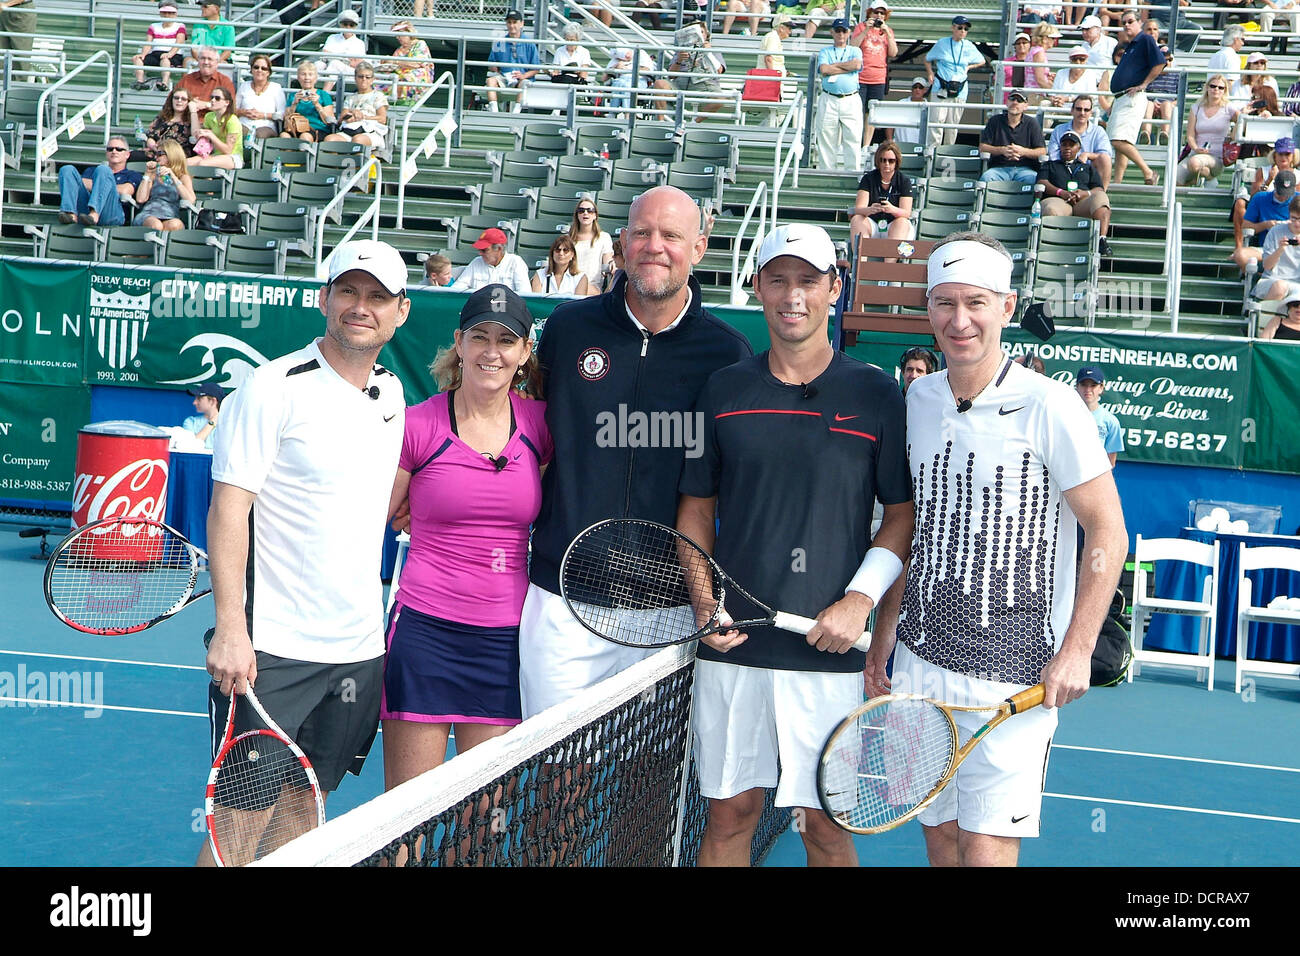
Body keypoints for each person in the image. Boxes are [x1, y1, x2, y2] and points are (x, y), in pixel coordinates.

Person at [866, 231, 1126, 867]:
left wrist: (1078, 651)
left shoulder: (1054, 406)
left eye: (976, 303)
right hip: (921, 665)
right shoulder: (917, 401)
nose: (960, 321)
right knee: (941, 846)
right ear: (927, 310)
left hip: (1019, 678)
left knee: (984, 852)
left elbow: (1109, 533)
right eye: (945, 303)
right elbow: (912, 527)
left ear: (1007, 308)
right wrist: (883, 641)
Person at [678, 222, 914, 868]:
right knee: (730, 817)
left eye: (808, 280)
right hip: (735, 647)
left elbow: (900, 516)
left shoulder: (876, 394)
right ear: (757, 288)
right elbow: (695, 511)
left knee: (825, 828)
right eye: (777, 279)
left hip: (830, 652)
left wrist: (858, 602)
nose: (793, 295)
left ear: (834, 289)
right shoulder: (723, 391)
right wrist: (705, 603)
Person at [199, 239, 410, 866]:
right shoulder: (271, 388)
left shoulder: (391, 396)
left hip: (357, 651)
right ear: (325, 299)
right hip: (273, 655)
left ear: (401, 311)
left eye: (377, 297)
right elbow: (229, 507)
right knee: (235, 835)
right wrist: (232, 630)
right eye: (348, 292)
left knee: (304, 815)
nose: (360, 307)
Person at [518, 185, 753, 721]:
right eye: (642, 233)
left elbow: (728, 488)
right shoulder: (569, 328)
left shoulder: (727, 352)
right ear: (620, 245)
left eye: (672, 235)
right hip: (562, 598)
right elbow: (523, 433)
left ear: (698, 248)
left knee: (648, 793)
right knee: (553, 788)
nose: (655, 246)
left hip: (670, 610)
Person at [382, 285, 550, 789]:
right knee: (405, 818)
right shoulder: (417, 425)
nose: (491, 352)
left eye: (506, 340)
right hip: (424, 634)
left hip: (505, 641)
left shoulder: (542, 425)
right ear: (459, 343)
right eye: (479, 337)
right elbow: (384, 513)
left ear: (524, 353)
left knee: (476, 823)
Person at [1108, 10, 1164, 186]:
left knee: (1117, 139)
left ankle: (1148, 172)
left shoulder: (1145, 39)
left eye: (1130, 21)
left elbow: (1160, 62)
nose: (1126, 25)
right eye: (1124, 22)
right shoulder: (1130, 44)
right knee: (1121, 142)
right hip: (1121, 98)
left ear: (1140, 22)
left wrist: (1144, 84)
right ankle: (1117, 182)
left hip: (1132, 97)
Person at [1039, 131, 1113, 256]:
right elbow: (1042, 182)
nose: (1067, 147)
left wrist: (1085, 193)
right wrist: (1061, 192)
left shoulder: (1087, 167)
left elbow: (1098, 188)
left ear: (1078, 148)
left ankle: (1102, 240)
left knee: (1101, 198)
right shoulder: (1050, 165)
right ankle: (1053, 245)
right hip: (1059, 199)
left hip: (1081, 202)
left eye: (1071, 145)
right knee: (1050, 208)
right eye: (1064, 144)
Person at [925, 15, 986, 147]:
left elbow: (982, 61)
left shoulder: (969, 45)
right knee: (936, 123)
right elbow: (928, 58)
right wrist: (930, 73)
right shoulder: (942, 43)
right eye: (960, 28)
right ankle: (932, 155)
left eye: (965, 29)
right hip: (941, 88)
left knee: (952, 126)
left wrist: (969, 67)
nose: (963, 31)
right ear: (953, 28)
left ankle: (947, 154)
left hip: (960, 90)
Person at [56, 137, 142, 227]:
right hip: (85, 214)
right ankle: (70, 213)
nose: (114, 151)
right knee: (67, 169)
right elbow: (77, 185)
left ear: (127, 154)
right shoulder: (92, 170)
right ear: (106, 153)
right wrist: (102, 185)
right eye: (110, 149)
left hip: (112, 213)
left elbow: (126, 191)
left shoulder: (133, 175)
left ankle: (95, 214)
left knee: (103, 170)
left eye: (119, 149)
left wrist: (104, 184)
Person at [815, 19, 863, 171]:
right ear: (832, 32)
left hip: (851, 98)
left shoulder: (855, 50)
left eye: (844, 31)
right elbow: (824, 70)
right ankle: (827, 173)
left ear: (849, 32)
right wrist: (846, 68)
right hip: (829, 97)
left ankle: (852, 172)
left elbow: (856, 65)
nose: (841, 34)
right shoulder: (825, 51)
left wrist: (833, 67)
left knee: (853, 137)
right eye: (838, 31)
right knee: (826, 137)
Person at [849, 140, 914, 251]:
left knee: (902, 222)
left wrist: (892, 209)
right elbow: (859, 209)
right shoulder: (868, 178)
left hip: (893, 225)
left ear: (896, 162)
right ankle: (861, 265)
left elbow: (906, 213)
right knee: (857, 220)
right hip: (873, 224)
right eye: (883, 160)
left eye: (891, 161)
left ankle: (889, 266)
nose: (886, 164)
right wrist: (869, 209)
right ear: (878, 161)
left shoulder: (904, 181)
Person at [1176, 75, 1238, 187]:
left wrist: (1233, 134)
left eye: (1221, 88)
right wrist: (1196, 148)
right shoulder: (1196, 107)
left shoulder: (1228, 107)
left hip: (1216, 157)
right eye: (1213, 86)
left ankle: (1208, 178)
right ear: (1207, 87)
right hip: (1196, 153)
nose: (1216, 89)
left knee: (1194, 163)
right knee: (1175, 178)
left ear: (1225, 91)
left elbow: (1242, 120)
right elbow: (1190, 135)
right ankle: (1203, 178)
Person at [1234, 170, 1296, 274]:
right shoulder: (1260, 198)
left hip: (1294, 248)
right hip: (1266, 249)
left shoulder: (1297, 200)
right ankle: (1261, 277)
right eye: (1281, 193)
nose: (1284, 197)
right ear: (1275, 186)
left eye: (1287, 194)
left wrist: (1292, 224)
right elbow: (1245, 226)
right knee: (1240, 255)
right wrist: (1266, 225)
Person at [852, 3, 896, 150]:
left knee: (871, 113)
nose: (879, 16)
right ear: (870, 13)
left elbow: (893, 53)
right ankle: (855, 143)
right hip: (860, 77)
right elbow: (853, 45)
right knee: (857, 112)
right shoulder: (861, 27)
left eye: (882, 13)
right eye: (876, 12)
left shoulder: (888, 30)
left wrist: (887, 34)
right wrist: (866, 30)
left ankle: (865, 145)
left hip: (878, 78)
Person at [978, 90, 1046, 185]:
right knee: (986, 178)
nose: (1014, 102)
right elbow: (983, 147)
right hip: (998, 169)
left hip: (1025, 170)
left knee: (1034, 179)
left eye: (1019, 100)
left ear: (1025, 106)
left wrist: (1023, 151)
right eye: (1012, 99)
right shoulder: (995, 121)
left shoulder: (1032, 123)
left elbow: (1042, 151)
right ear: (1007, 102)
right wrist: (1002, 150)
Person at [1047, 94, 1113, 188]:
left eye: (1086, 110)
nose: (1082, 113)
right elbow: (1053, 155)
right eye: (1078, 109)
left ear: (1091, 113)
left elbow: (1106, 155)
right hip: (1063, 170)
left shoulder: (1098, 131)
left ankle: (1101, 194)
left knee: (1105, 159)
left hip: (1088, 172)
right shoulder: (1059, 130)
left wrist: (1088, 155)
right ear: (1072, 110)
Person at [667, 21, 727, 118]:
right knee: (660, 84)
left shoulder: (714, 51)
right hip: (680, 83)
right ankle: (661, 121)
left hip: (705, 84)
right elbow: (671, 75)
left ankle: (695, 122)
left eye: (702, 32)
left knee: (719, 99)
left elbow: (719, 71)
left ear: (706, 34)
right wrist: (679, 60)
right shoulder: (680, 52)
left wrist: (708, 53)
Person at [485, 9, 541, 113]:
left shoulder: (529, 43)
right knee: (490, 81)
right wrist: (494, 67)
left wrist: (523, 76)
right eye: (509, 22)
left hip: (521, 79)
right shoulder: (499, 42)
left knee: (525, 84)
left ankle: (516, 112)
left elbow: (536, 68)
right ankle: (494, 112)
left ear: (521, 24)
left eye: (515, 22)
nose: (512, 25)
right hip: (504, 77)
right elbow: (491, 63)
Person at [325, 61, 388, 152]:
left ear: (372, 79)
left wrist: (363, 117)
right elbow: (342, 117)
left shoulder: (378, 96)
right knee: (330, 140)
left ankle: (355, 166)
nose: (364, 79)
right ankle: (334, 165)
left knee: (358, 140)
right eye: (360, 76)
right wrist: (352, 114)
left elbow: (382, 119)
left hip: (370, 133)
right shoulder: (350, 98)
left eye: (367, 77)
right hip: (350, 131)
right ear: (355, 78)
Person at [448, 227, 531, 294]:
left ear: (499, 249)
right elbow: (457, 289)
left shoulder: (516, 262)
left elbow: (524, 294)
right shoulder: (476, 262)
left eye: (484, 250)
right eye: (479, 250)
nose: (480, 253)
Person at [136, 138, 195, 231]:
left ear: (171, 155)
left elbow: (191, 200)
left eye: (160, 154)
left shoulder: (183, 177)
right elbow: (140, 199)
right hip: (149, 214)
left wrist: (173, 177)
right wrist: (147, 174)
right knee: (156, 225)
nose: (156, 157)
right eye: (156, 154)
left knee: (175, 225)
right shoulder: (153, 174)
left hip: (170, 215)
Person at [1251, 195, 1300, 303]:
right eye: (1293, 218)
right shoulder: (1275, 231)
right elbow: (1267, 266)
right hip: (1272, 280)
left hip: (1297, 283)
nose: (1296, 223)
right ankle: (1265, 319)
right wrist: (1280, 249)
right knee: (1280, 287)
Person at [131, 2, 186, 91]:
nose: (167, 15)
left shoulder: (180, 26)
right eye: (164, 12)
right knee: (138, 59)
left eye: (170, 13)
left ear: (175, 14)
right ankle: (140, 82)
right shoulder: (153, 26)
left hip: (173, 55)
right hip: (155, 54)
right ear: (160, 13)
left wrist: (170, 54)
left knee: (165, 60)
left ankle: (164, 83)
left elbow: (179, 41)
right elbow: (148, 43)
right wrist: (143, 54)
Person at [1076, 365, 1123, 467]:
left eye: (1093, 385)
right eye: (1084, 384)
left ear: (1101, 388)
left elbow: (1111, 462)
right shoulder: (1065, 416)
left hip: (1094, 477)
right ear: (1077, 387)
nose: (1088, 389)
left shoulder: (1110, 421)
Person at [280, 59, 335, 142]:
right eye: (303, 74)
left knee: (305, 136)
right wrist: (294, 104)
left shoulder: (323, 95)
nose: (307, 78)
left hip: (316, 129)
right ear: (298, 78)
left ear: (316, 78)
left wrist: (317, 105)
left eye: (310, 74)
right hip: (295, 128)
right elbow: (286, 120)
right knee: (284, 136)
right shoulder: (293, 96)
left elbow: (329, 121)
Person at [189, 87, 244, 169]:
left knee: (203, 164)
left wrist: (211, 136)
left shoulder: (232, 121)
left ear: (226, 102)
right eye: (211, 97)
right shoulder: (209, 116)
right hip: (215, 155)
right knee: (186, 163)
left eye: (217, 98)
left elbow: (228, 150)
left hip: (233, 157)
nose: (212, 100)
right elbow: (197, 135)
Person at [236, 52, 285, 141]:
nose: (259, 70)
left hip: (266, 126)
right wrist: (244, 112)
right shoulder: (244, 86)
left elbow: (282, 114)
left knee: (260, 135)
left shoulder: (276, 88)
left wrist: (262, 115)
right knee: (236, 131)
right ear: (251, 70)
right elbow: (234, 109)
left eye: (264, 68)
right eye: (256, 67)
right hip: (244, 123)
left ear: (268, 72)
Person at [179, 46, 236, 123]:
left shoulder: (225, 82)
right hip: (187, 123)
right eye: (203, 58)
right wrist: (188, 103)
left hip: (214, 126)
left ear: (217, 63)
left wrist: (207, 105)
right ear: (198, 60)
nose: (206, 62)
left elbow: (231, 109)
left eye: (210, 59)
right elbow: (171, 102)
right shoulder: (186, 80)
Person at [316, 8, 366, 92]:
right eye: (345, 24)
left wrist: (336, 57)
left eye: (351, 25)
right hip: (329, 66)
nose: (348, 27)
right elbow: (324, 54)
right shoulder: (332, 37)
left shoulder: (359, 43)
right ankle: (309, 93)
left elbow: (357, 63)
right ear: (340, 24)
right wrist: (345, 58)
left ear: (355, 26)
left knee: (335, 64)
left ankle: (325, 95)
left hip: (349, 71)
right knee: (318, 64)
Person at [568, 198, 614, 287]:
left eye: (590, 211)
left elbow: (608, 261)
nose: (585, 213)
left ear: (595, 215)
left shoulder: (603, 237)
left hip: (592, 285)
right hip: (570, 283)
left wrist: (612, 263)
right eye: (581, 211)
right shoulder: (568, 239)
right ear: (577, 215)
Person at [383, 20, 433, 103]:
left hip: (418, 74)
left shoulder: (420, 44)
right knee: (380, 77)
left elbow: (417, 64)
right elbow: (392, 64)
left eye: (400, 34)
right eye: (397, 35)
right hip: (400, 74)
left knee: (406, 78)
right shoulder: (399, 50)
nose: (398, 38)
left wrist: (395, 62)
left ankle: (402, 100)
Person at [1140, 43, 1177, 145]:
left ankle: (1165, 134)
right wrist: (1153, 103)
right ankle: (1146, 134)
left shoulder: (1177, 74)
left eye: (1170, 60)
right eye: (1164, 59)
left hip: (1169, 104)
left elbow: (1180, 98)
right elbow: (1142, 92)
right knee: (1148, 104)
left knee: (1166, 105)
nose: (1167, 62)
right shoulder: (1148, 74)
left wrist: (1170, 104)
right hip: (1150, 102)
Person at [144, 86, 196, 158]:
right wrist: (154, 147)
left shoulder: (191, 121)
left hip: (176, 157)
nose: (179, 100)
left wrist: (193, 111)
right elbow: (150, 137)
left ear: (188, 102)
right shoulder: (161, 118)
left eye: (183, 99)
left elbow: (195, 135)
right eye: (176, 98)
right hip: (156, 152)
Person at [187, 0, 234, 67]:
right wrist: (203, 61)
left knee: (224, 64)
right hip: (202, 59)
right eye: (202, 6)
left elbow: (228, 51)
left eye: (205, 6)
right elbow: (194, 49)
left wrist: (214, 62)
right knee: (187, 61)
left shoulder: (228, 27)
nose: (202, 8)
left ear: (216, 9)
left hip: (219, 60)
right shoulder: (197, 24)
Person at [182, 382, 225, 450]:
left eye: (199, 398)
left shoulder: (227, 423)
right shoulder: (191, 421)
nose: (194, 402)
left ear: (212, 401)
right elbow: (190, 446)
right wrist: (212, 422)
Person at [1024, 21, 1061, 103]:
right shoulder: (1039, 53)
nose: (1054, 41)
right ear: (1044, 38)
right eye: (1052, 38)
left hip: (1033, 93)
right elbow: (1040, 79)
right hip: (1035, 95)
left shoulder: (1034, 50)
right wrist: (1055, 93)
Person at [0, 0, 37, 75]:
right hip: (3, 10)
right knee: (1, 56)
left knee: (20, 57)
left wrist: (7, 4)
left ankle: (18, 85)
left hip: (20, 9)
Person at [892, 77, 929, 146]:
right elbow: (890, 124)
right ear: (911, 89)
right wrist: (890, 141)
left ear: (925, 90)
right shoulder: (901, 103)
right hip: (900, 147)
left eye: (920, 87)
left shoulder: (929, 107)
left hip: (922, 148)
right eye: (915, 87)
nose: (917, 89)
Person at [1004, 33, 1031, 103]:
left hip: (1029, 100)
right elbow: (996, 83)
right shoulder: (1006, 62)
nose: (1021, 45)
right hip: (1008, 100)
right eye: (1018, 43)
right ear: (1014, 46)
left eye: (1024, 42)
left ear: (1030, 45)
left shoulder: (1035, 62)